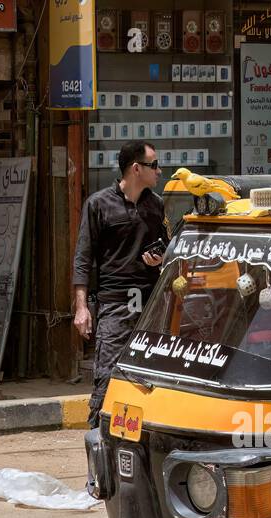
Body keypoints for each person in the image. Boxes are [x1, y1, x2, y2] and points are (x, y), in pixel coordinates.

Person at [72, 141, 166, 428]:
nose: (159, 171)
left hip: (150, 304)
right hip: (114, 304)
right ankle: (98, 449)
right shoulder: (99, 204)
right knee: (107, 377)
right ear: (136, 169)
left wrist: (158, 259)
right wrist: (81, 308)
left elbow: (166, 248)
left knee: (151, 377)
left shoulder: (155, 204)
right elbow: (83, 258)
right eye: (154, 165)